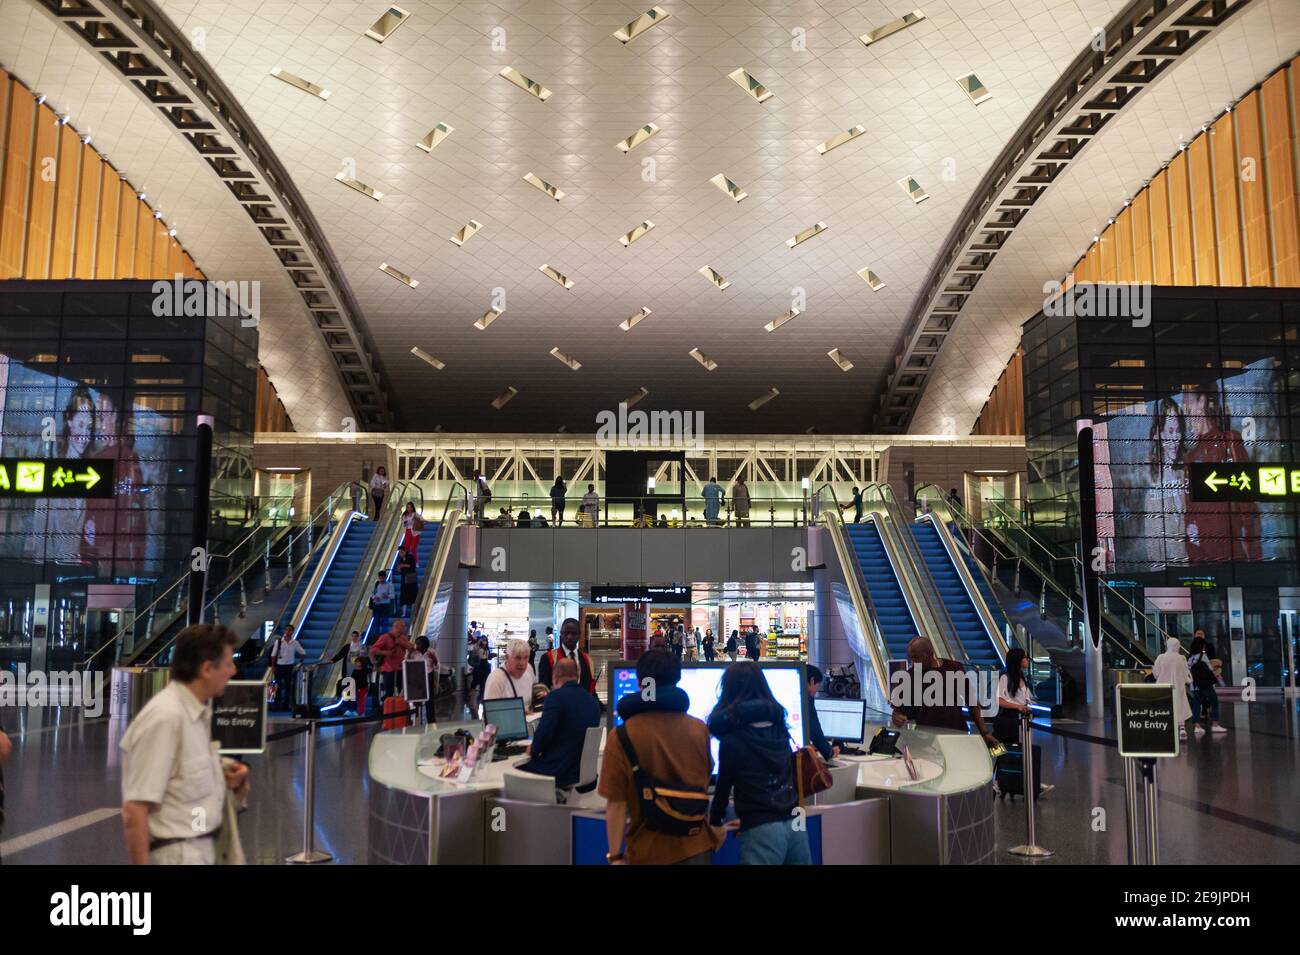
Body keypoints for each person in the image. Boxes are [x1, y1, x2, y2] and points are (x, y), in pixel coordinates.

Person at [120, 624, 250, 864]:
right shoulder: (165, 718)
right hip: (176, 855)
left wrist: (223, 782)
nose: (232, 671)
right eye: (228, 664)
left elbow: (189, 794)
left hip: (202, 849)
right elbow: (134, 810)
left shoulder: (197, 715)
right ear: (207, 669)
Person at [599, 649, 724, 865]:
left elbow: (616, 805)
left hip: (649, 852)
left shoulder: (621, 736)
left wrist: (615, 856)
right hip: (698, 848)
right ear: (677, 679)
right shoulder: (699, 729)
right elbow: (705, 779)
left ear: (641, 684)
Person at [708, 663, 811, 865]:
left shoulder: (733, 740)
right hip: (795, 821)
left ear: (729, 691)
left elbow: (723, 788)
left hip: (762, 828)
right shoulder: (780, 729)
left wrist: (716, 824)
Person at [1183, 386, 1260, 562]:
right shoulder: (1191, 456)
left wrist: (1254, 558)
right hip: (1203, 557)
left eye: (1188, 404)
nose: (1186, 411)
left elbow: (1247, 501)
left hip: (1232, 555)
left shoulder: (1229, 442)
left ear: (1201, 402)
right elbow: (1190, 514)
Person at [891, 636, 998, 745]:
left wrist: (984, 732)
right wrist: (896, 717)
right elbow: (897, 711)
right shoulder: (909, 677)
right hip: (926, 741)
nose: (913, 662)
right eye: (911, 658)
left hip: (956, 736)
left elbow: (972, 702)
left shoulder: (954, 668)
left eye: (917, 657)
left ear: (930, 653)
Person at [520, 658, 602, 790]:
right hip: (579, 772)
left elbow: (544, 734)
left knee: (516, 767)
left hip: (557, 771)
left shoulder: (555, 697)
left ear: (555, 677)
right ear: (578, 676)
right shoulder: (593, 702)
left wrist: (532, 750)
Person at [1142, 397, 1188, 569]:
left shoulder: (1186, 475)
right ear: (1159, 434)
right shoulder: (1152, 492)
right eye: (1170, 431)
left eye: (1178, 430)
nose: (1175, 438)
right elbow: (1153, 552)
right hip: (1169, 579)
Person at [537, 617, 598, 694]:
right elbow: (543, 690)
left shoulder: (588, 660)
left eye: (573, 633)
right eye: (566, 633)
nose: (569, 637)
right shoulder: (548, 658)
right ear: (561, 634)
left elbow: (591, 691)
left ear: (579, 635)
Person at [1151, 636, 1194, 741]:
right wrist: (1189, 680)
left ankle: (1165, 729)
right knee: (1180, 706)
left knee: (1164, 707)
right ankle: (1182, 729)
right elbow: (1186, 675)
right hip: (1178, 687)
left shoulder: (1161, 657)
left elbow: (1156, 674)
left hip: (1163, 687)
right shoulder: (1181, 658)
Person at [484, 638, 539, 712]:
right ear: (507, 657)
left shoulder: (528, 669)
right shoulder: (496, 679)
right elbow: (491, 715)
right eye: (518, 658)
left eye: (526, 658)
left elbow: (534, 698)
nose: (522, 663)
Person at [1187, 636, 1227, 735]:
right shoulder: (1202, 656)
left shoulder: (1190, 658)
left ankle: (1197, 726)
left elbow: (1188, 671)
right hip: (1205, 684)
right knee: (1214, 702)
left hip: (1194, 685)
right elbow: (1210, 669)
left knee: (1196, 704)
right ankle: (1215, 724)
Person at [371, 619, 413, 706]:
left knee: (402, 690)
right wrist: (386, 653)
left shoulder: (402, 637)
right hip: (388, 669)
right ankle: (385, 709)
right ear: (396, 627)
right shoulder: (385, 637)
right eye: (402, 626)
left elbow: (411, 648)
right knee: (389, 691)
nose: (404, 628)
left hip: (400, 668)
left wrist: (400, 642)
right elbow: (374, 650)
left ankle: (400, 710)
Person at [268, 624, 305, 711]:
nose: (288, 632)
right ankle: (276, 706)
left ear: (292, 632)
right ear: (284, 631)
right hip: (279, 666)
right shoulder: (279, 642)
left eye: (290, 630)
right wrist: (273, 666)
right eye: (286, 630)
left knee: (288, 687)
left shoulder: (294, 643)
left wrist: (299, 664)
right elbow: (273, 655)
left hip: (289, 667)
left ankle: (286, 706)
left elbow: (302, 653)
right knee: (277, 686)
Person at [805, 665, 837, 761]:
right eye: (817, 686)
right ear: (812, 681)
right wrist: (830, 752)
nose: (816, 692)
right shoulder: (806, 699)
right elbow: (815, 732)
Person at [331, 629, 364, 705]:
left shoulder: (361, 647)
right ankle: (345, 704)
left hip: (357, 673)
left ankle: (351, 706)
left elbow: (364, 658)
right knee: (344, 685)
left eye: (355, 636)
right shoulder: (347, 647)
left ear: (358, 637)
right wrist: (332, 660)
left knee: (352, 687)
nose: (354, 638)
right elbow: (340, 655)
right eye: (352, 636)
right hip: (347, 671)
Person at [413, 636, 440, 720]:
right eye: (416, 644)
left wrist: (433, 658)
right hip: (417, 676)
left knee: (429, 698)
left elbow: (437, 665)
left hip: (429, 675)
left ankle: (431, 720)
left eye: (419, 644)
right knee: (416, 698)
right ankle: (416, 718)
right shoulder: (414, 653)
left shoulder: (431, 652)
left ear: (424, 644)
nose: (416, 646)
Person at [398, 551, 419, 617]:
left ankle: (413, 612)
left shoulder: (410, 557)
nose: (400, 554)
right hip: (404, 579)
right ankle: (403, 613)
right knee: (404, 595)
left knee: (413, 595)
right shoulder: (400, 559)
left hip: (411, 577)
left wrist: (403, 565)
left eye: (401, 552)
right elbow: (399, 570)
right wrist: (399, 568)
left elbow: (412, 566)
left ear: (404, 552)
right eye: (399, 553)